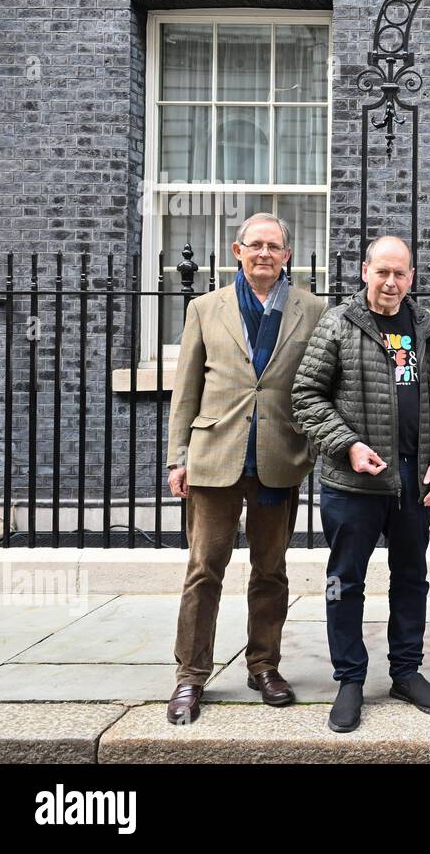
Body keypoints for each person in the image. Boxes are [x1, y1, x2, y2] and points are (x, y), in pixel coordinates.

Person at [292, 236, 430, 732]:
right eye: (382, 272)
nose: (390, 282)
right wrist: (347, 445)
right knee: (345, 581)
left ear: (412, 278)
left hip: (413, 479)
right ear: (365, 271)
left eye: (399, 274)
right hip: (352, 482)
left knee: (411, 578)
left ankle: (406, 672)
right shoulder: (339, 323)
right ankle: (350, 679)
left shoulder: (427, 328)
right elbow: (306, 395)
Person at [164, 213, 324, 725]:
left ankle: (264, 666)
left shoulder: (312, 309)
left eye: (274, 246)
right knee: (203, 570)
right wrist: (177, 457)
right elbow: (186, 389)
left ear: (287, 255)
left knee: (271, 571)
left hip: (278, 459)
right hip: (214, 457)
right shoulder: (204, 308)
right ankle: (191, 676)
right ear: (238, 251)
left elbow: (322, 384)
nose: (264, 254)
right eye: (255, 245)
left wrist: (311, 448)